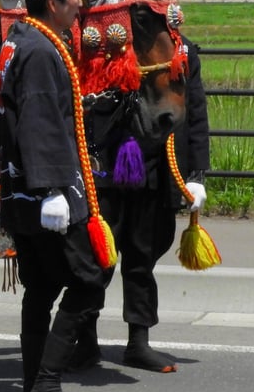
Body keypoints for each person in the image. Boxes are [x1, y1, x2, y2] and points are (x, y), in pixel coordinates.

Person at [0, 0, 102, 392]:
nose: (79, 3)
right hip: (46, 193)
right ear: (53, 1)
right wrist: (53, 188)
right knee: (88, 279)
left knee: (43, 286)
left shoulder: (19, 40)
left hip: (24, 188)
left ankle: (34, 387)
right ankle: (48, 385)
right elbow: (36, 121)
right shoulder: (37, 51)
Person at [81, 36, 210, 373]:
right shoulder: (101, 43)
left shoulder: (183, 50)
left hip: (156, 168)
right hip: (106, 165)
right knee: (98, 258)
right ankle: (84, 339)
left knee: (142, 257)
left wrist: (196, 172)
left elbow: (195, 111)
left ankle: (139, 341)